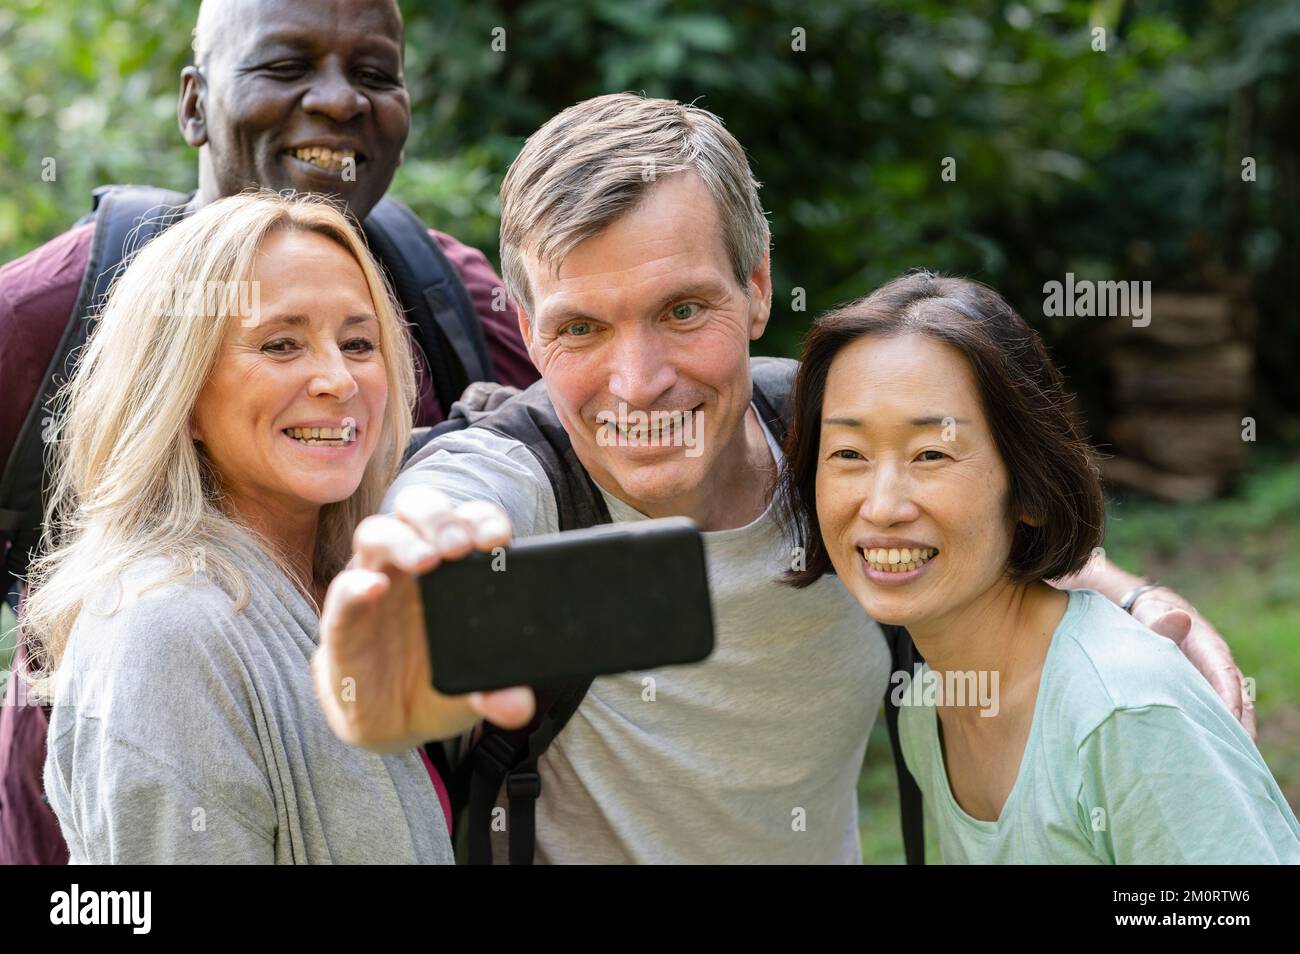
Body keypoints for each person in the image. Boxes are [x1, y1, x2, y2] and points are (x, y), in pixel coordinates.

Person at [309, 93, 1254, 863]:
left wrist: (1137, 601)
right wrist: (412, 558)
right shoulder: (520, 476)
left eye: (683, 310)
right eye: (581, 328)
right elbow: (451, 503)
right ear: (524, 320)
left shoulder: (831, 446)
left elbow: (965, 516)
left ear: (758, 287)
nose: (638, 383)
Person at [0, 0, 538, 864]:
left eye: (361, 341)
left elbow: (577, 423)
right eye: (279, 343)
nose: (336, 102)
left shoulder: (445, 290)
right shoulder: (43, 311)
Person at [777, 271, 1300, 863]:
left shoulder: (1119, 714)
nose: (881, 506)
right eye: (849, 454)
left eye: (931, 454)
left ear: (1028, 489)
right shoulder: (928, 713)